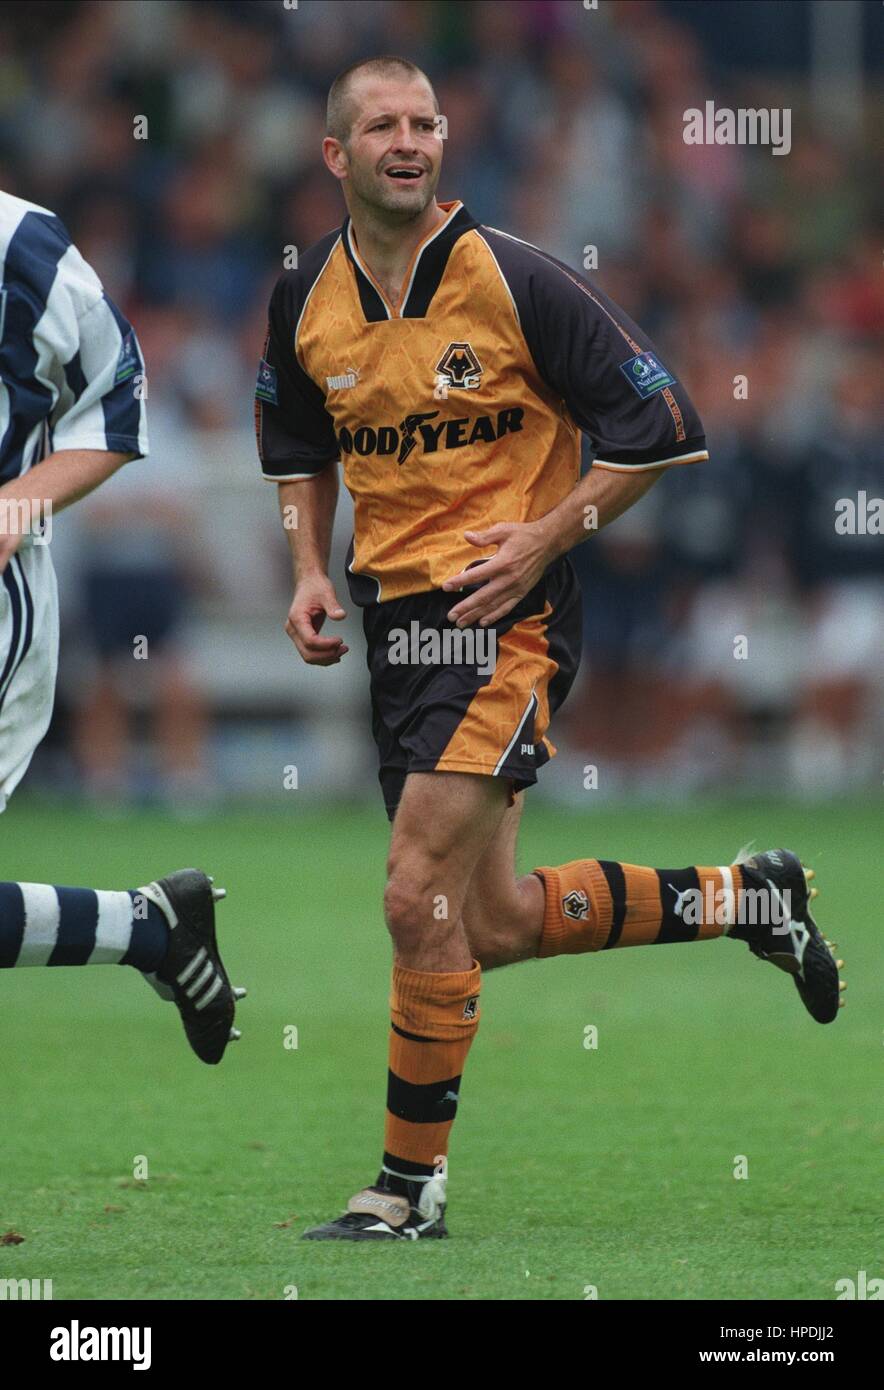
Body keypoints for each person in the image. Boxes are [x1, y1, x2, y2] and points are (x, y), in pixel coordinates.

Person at [255, 57, 844, 1241]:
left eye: (425, 121)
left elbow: (662, 422)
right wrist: (310, 566)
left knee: (410, 892)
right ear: (337, 156)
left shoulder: (516, 278)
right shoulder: (302, 298)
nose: (410, 140)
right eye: (382, 126)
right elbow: (294, 444)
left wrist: (542, 537)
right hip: (394, 627)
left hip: (503, 621)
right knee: (488, 921)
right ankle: (748, 899)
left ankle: (403, 1192)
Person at [0, 189, 243, 1063]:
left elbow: (116, 399)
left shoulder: (18, 239)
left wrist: (13, 506)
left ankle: (148, 926)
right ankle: (149, 929)